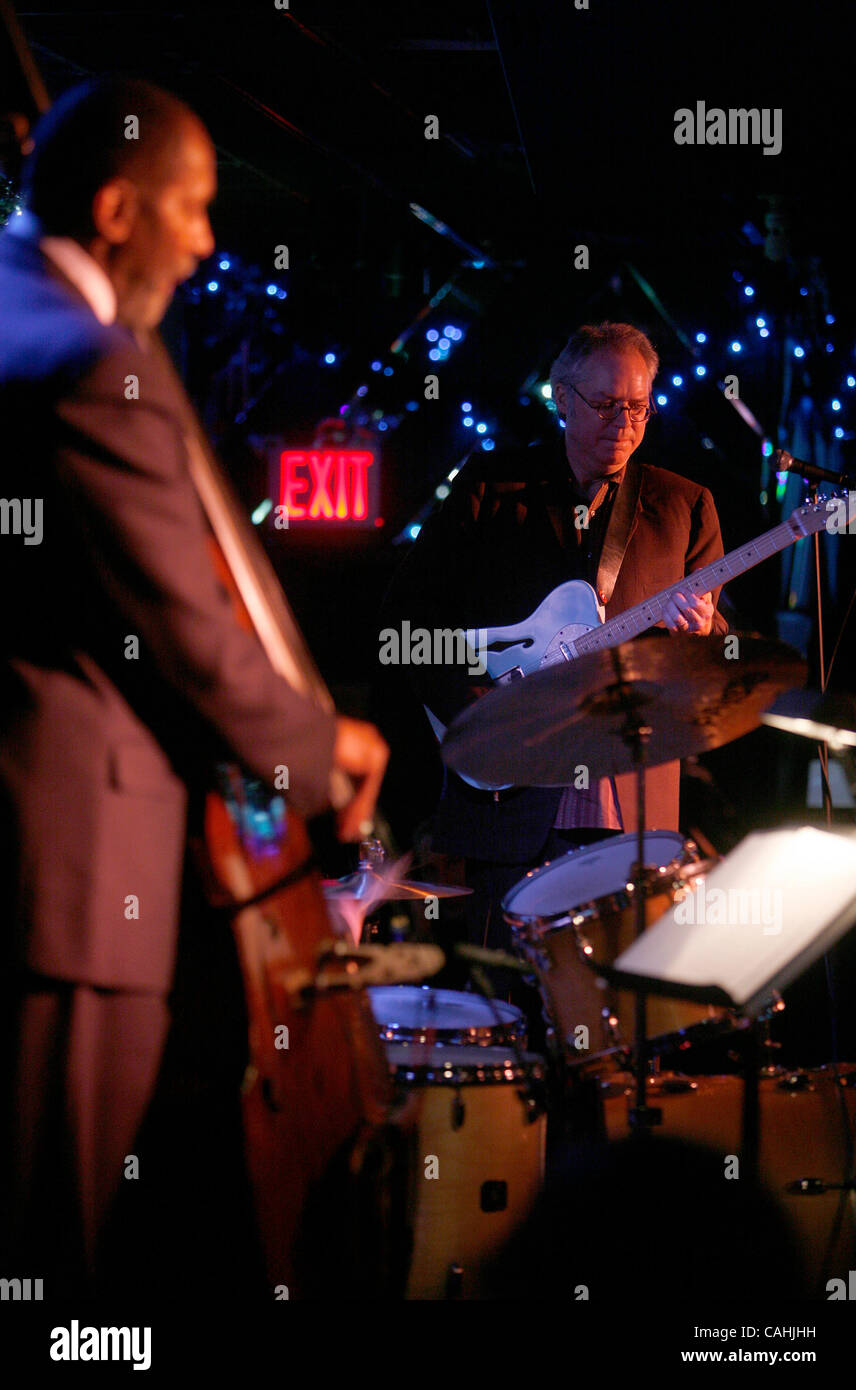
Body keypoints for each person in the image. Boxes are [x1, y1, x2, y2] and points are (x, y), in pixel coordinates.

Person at [0, 77, 388, 1302]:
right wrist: (324, 755)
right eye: (194, 208)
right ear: (117, 210)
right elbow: (198, 639)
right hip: (60, 874)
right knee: (45, 1249)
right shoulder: (90, 360)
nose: (210, 241)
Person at [382, 322, 727, 954]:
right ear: (561, 398)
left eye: (638, 407)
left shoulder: (685, 505)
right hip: (510, 791)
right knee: (509, 995)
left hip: (632, 797)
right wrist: (479, 721)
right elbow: (407, 622)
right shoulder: (491, 487)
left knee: (621, 1010)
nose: (622, 422)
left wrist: (704, 633)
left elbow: (718, 656)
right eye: (604, 405)